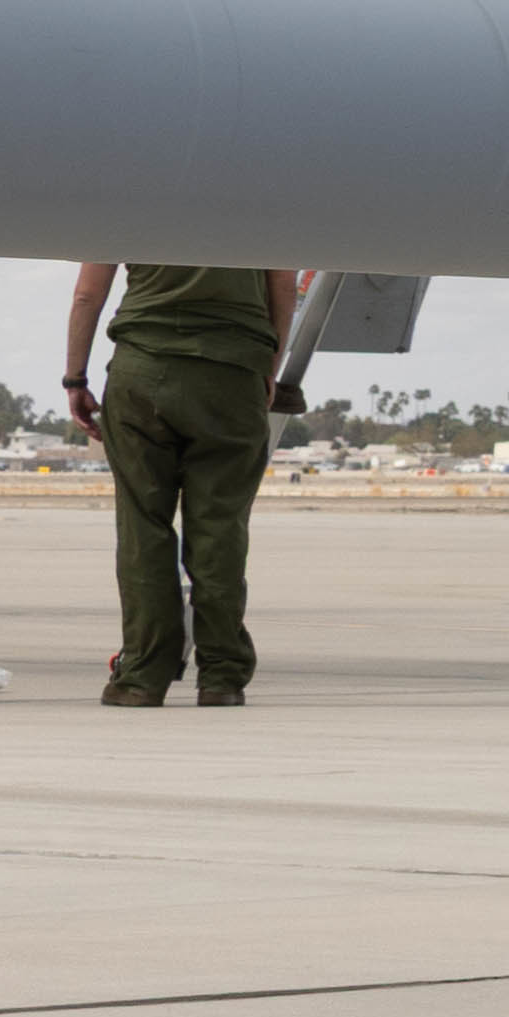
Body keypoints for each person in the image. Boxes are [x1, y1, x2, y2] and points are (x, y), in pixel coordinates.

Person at [60, 253, 312, 707]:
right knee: (220, 526)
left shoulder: (125, 191)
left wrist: (74, 378)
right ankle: (221, 676)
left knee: (143, 527)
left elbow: (86, 294)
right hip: (233, 375)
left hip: (142, 371)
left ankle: (141, 676)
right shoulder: (268, 194)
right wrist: (266, 369)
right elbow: (282, 290)